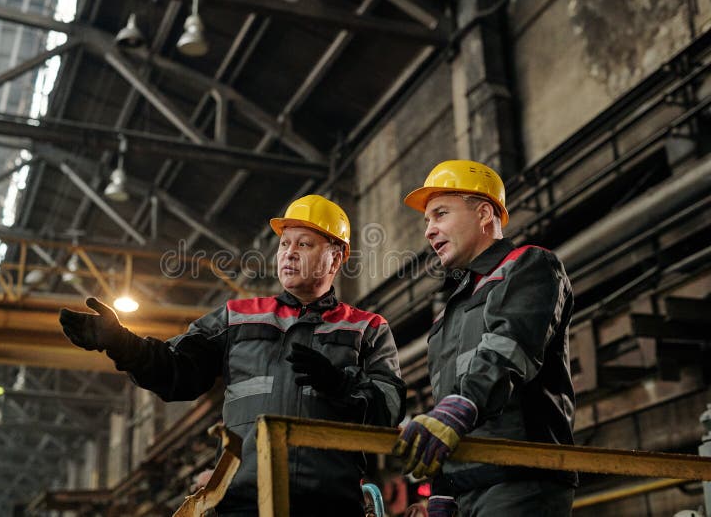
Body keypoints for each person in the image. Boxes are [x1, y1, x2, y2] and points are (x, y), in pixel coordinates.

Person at [59, 194, 406, 517]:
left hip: (330, 508)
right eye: (284, 243)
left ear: (337, 256)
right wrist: (122, 344)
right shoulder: (237, 318)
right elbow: (176, 372)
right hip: (242, 505)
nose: (289, 253)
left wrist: (340, 384)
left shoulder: (367, 328)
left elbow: (388, 409)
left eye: (304, 244)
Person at [393, 160, 576, 516]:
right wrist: (443, 492)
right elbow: (447, 407)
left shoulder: (528, 266)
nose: (429, 231)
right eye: (427, 220)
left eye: (440, 213)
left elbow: (509, 349)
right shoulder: (448, 314)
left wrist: (456, 412)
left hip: (521, 477)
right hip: (466, 488)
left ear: (483, 213)